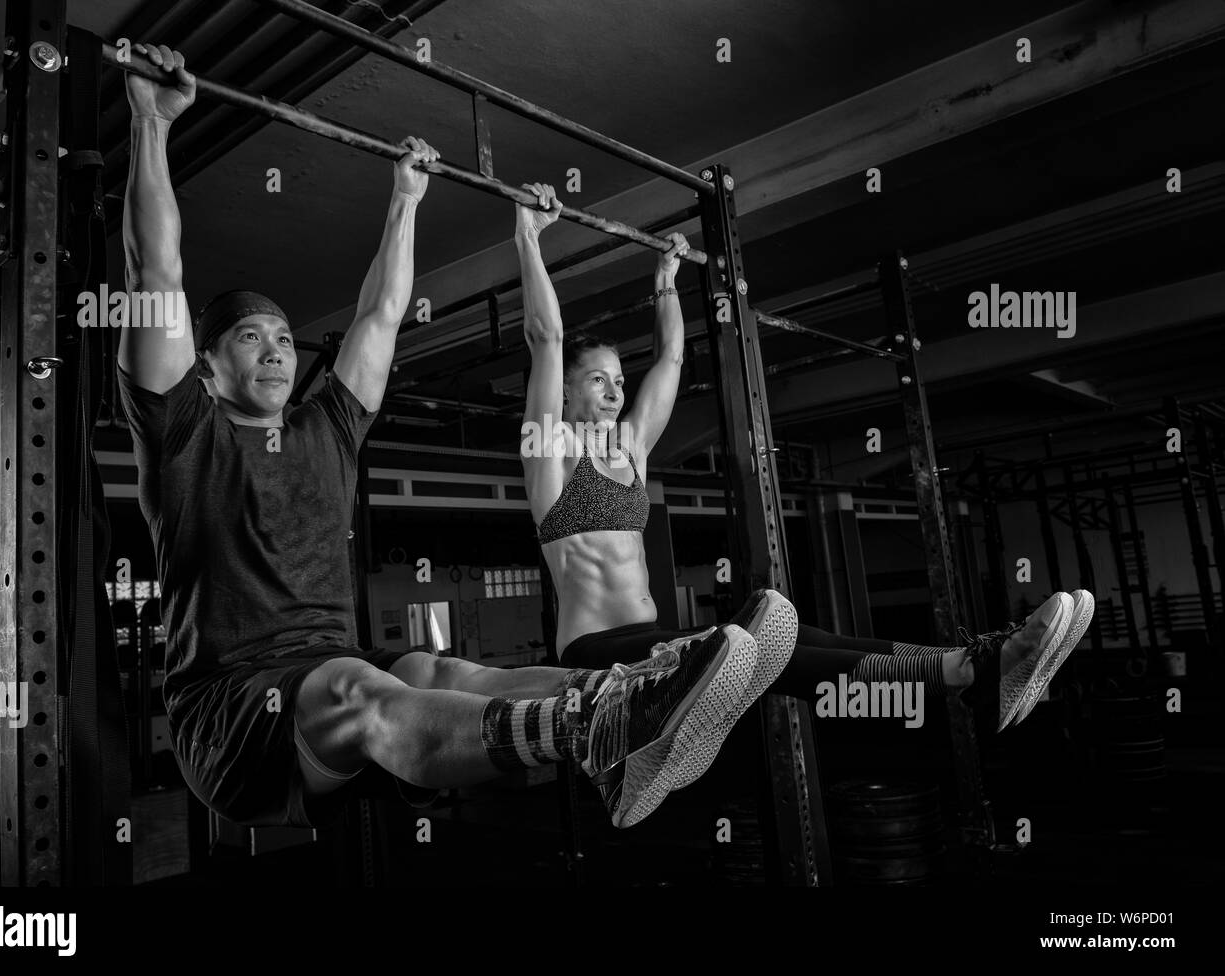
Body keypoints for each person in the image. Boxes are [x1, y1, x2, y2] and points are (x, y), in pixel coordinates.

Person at [115, 43, 785, 832]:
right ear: (206, 367)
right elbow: (155, 273)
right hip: (232, 713)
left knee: (446, 669)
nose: (273, 349)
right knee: (361, 692)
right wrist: (150, 125)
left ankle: (635, 698)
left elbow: (381, 315)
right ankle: (592, 728)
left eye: (285, 339)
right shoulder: (183, 430)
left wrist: (406, 199)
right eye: (249, 338)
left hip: (336, 666)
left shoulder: (325, 427)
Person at [515, 182, 1094, 733]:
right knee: (754, 645)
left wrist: (665, 279)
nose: (617, 392)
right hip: (593, 652)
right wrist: (528, 232)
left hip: (652, 639)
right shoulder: (549, 451)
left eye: (619, 379)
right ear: (563, 393)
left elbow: (670, 360)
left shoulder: (632, 450)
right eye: (598, 380)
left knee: (792, 640)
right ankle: (971, 671)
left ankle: (967, 667)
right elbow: (546, 338)